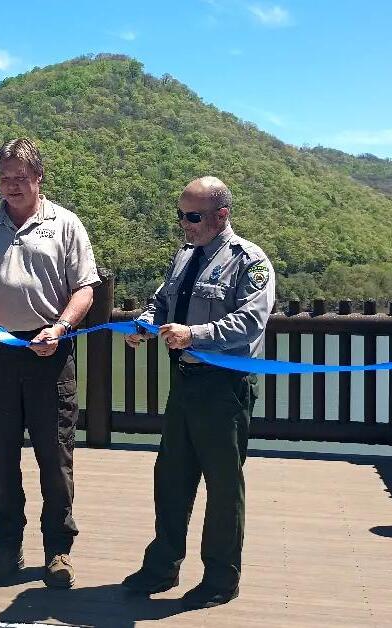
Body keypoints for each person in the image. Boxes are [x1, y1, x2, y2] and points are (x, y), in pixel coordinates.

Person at [121, 176, 275, 609]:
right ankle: (162, 566)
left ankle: (221, 579)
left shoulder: (250, 261)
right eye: (181, 215)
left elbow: (250, 322)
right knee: (171, 478)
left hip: (225, 388)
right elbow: (161, 302)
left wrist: (195, 334)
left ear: (221, 215)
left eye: (193, 216)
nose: (184, 225)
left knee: (223, 487)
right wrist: (145, 325)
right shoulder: (183, 256)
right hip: (185, 384)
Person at [0, 138, 100, 589]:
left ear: (39, 178)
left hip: (49, 354)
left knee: (55, 460)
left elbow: (85, 289)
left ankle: (58, 551)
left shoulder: (66, 224)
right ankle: (6, 551)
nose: (12, 186)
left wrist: (59, 328)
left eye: (21, 178)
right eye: (5, 178)